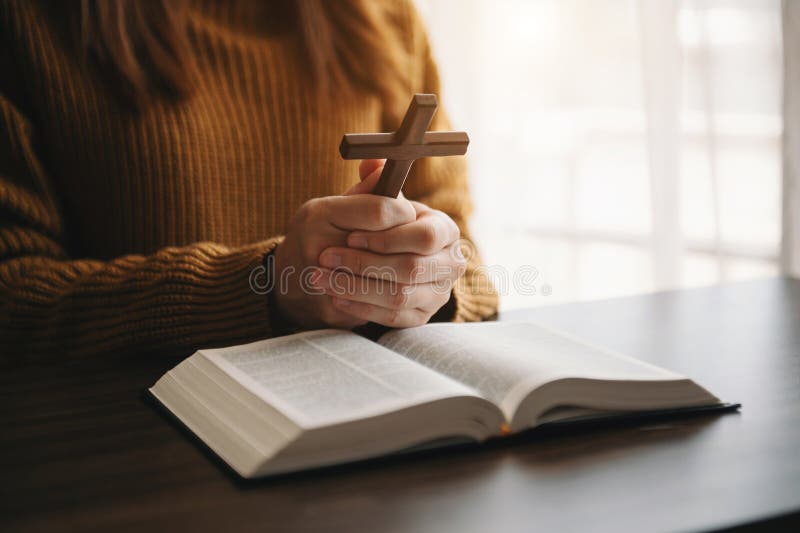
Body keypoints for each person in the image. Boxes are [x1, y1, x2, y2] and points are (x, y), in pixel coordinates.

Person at [0, 0, 498, 361]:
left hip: (363, 440)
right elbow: (12, 295)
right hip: (143, 460)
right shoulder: (30, 24)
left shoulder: (384, 18)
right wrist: (266, 285)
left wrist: (429, 283)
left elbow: (470, 268)